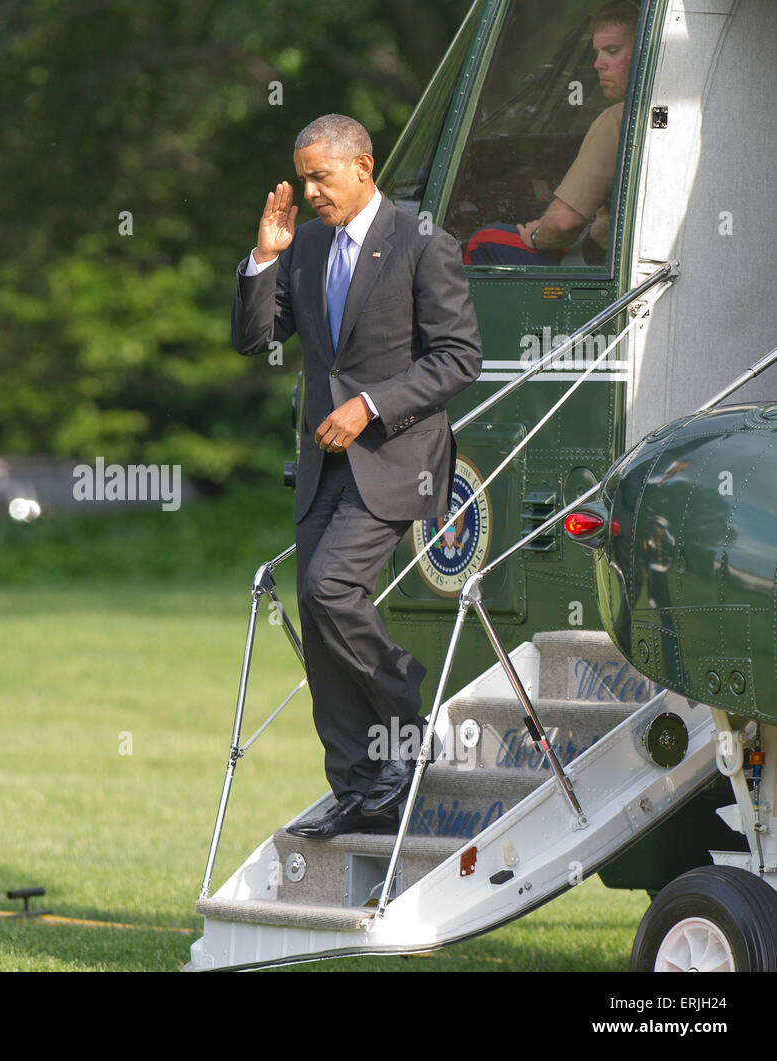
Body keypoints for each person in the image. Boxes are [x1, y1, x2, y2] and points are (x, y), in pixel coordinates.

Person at [232, 114, 482, 839]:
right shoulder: (304, 244)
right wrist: (263, 256)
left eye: (321, 176)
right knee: (319, 620)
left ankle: (412, 719)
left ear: (363, 168)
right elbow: (256, 338)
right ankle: (360, 786)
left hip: (398, 458)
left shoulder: (423, 243)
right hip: (321, 467)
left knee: (328, 587)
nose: (309, 191)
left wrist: (369, 406)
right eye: (302, 177)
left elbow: (457, 357)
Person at [465, 1, 639, 264]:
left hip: (601, 262)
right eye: (597, 52)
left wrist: (536, 235)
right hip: (623, 258)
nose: (598, 64)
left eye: (612, 51)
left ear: (642, 51)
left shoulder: (617, 120)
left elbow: (563, 223)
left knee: (483, 241)